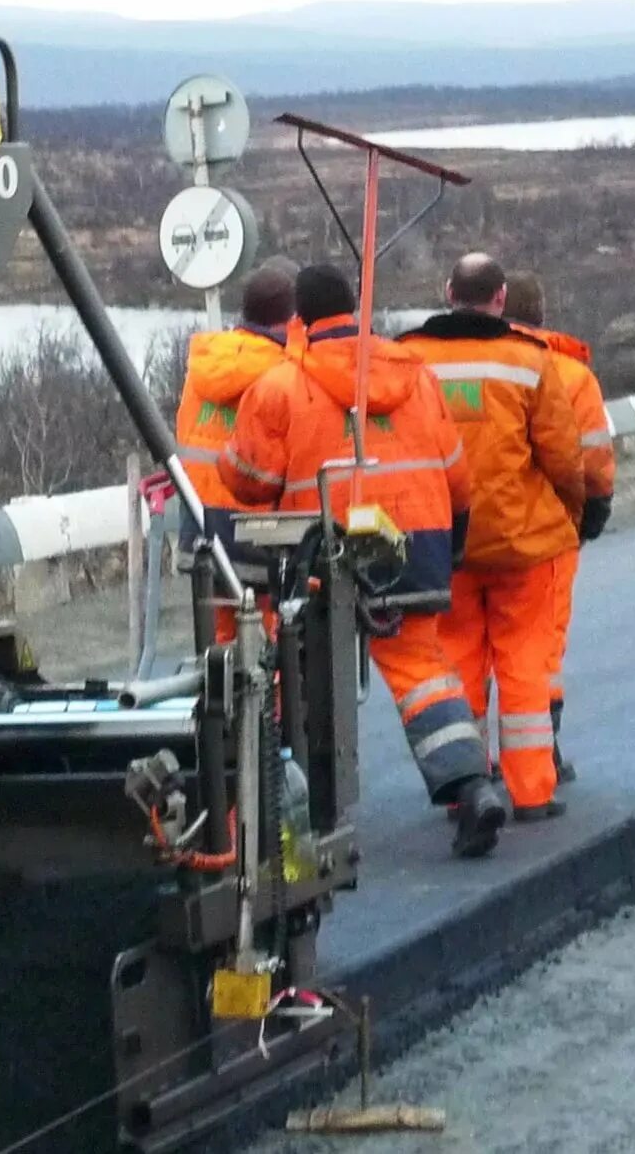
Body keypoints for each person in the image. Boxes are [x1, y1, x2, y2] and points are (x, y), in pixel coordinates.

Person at [225, 264, 510, 857]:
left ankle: (302, 811)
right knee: (422, 672)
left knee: (299, 677)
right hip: (413, 544)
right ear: (355, 308)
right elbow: (457, 476)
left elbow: (251, 483)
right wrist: (451, 541)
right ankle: (472, 786)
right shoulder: (415, 374)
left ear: (299, 319)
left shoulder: (281, 385)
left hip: (319, 550)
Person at [401, 253, 588, 824]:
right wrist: (576, 516)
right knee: (524, 662)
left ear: (447, 289)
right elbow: (562, 455)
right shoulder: (529, 362)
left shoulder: (408, 359)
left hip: (444, 542)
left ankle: (468, 785)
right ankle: (531, 791)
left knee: (455, 662)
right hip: (521, 545)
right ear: (501, 298)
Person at [502, 270, 612, 787]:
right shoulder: (570, 374)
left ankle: (470, 767)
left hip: (472, 528)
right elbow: (592, 456)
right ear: (542, 313)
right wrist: (595, 509)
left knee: (466, 645)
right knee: (540, 643)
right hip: (548, 529)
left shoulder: (461, 365)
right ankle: (540, 755)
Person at [174, 264, 298, 646]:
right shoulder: (285, 373)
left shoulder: (205, 366)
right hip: (260, 539)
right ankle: (274, 709)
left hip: (201, 533)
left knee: (221, 655)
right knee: (276, 652)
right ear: (293, 318)